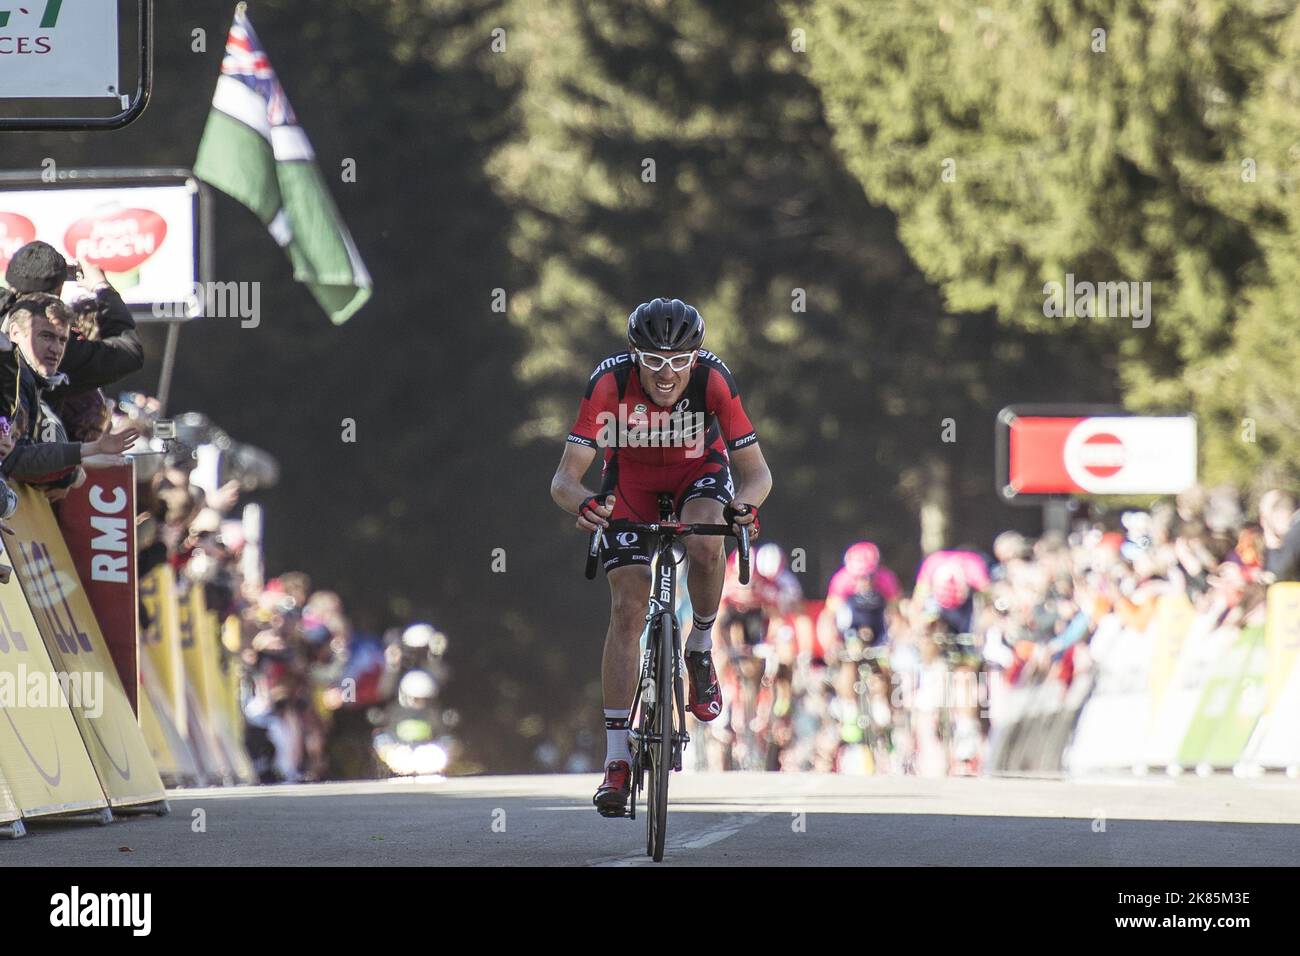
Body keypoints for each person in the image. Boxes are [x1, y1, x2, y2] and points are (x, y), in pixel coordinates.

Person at [550, 297, 772, 817]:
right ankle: (616, 758)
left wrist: (744, 507)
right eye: (653, 361)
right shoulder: (609, 383)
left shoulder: (714, 379)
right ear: (635, 355)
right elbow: (564, 478)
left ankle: (698, 646)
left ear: (696, 357)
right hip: (629, 487)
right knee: (628, 606)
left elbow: (758, 474)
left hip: (699, 477)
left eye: (678, 361)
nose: (667, 374)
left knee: (705, 540)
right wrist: (582, 504)